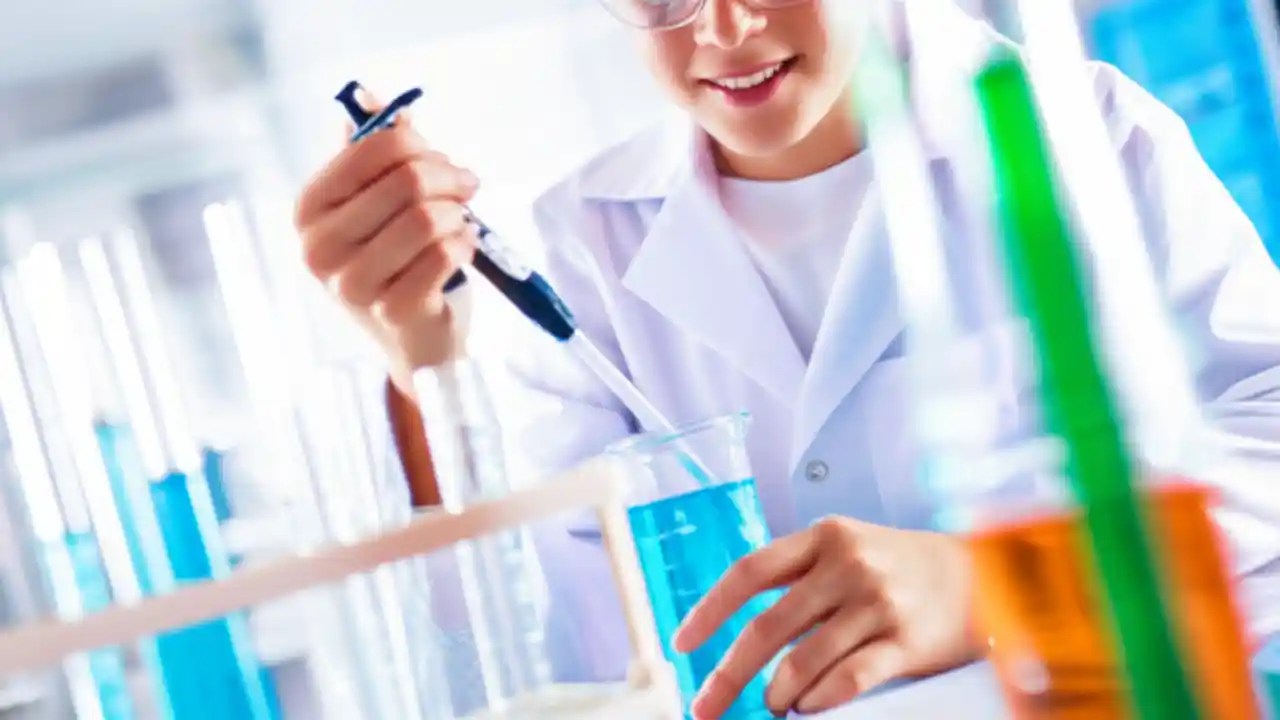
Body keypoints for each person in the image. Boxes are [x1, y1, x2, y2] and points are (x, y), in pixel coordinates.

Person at [293, 0, 1280, 716]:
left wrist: (997, 585)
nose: (719, 27)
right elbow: (567, 662)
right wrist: (420, 365)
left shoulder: (1080, 134)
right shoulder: (582, 245)